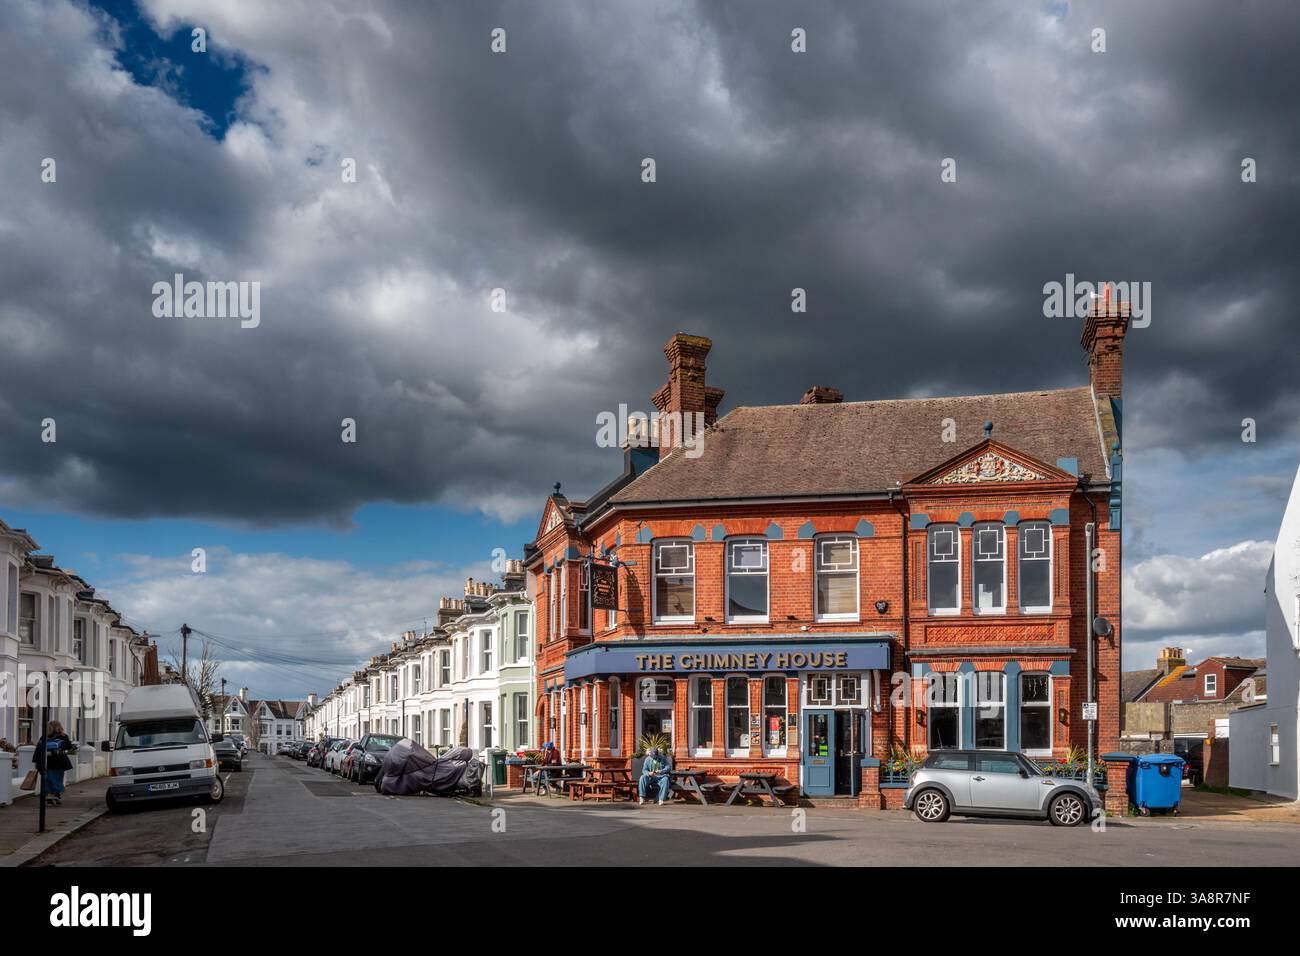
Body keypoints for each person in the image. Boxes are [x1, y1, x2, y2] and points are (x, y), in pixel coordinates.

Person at [34, 720, 75, 807]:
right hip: (60, 762)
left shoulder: (44, 737)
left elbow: (38, 750)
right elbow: (69, 747)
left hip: (47, 762)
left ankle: (49, 797)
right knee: (58, 779)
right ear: (59, 727)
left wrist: (37, 762)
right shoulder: (63, 737)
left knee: (48, 779)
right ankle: (57, 795)